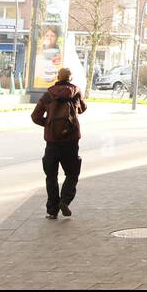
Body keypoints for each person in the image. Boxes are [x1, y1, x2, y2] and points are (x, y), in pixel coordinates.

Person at [31, 67, 87, 219]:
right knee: (72, 173)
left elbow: (35, 116)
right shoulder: (75, 92)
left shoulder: (48, 95)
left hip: (52, 142)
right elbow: (83, 109)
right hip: (71, 141)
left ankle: (52, 210)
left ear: (58, 77)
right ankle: (65, 200)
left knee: (51, 176)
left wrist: (49, 125)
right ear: (70, 78)